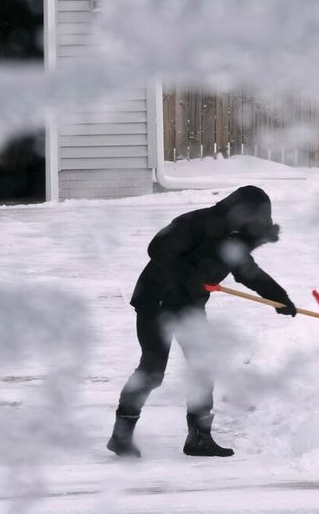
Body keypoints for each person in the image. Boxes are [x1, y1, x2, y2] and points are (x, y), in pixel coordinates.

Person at [107, 185, 298, 458]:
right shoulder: (196, 223)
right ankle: (121, 435)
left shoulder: (235, 239)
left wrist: (279, 297)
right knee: (152, 371)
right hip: (156, 301)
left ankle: (199, 438)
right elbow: (157, 248)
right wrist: (192, 276)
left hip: (189, 306)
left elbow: (249, 272)